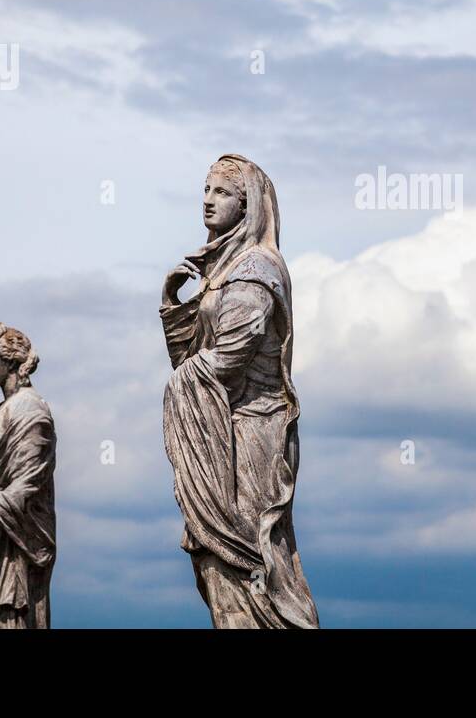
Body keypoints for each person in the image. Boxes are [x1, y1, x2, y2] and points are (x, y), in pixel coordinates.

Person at [161, 153, 320, 628]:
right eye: (206, 191)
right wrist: (174, 301)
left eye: (222, 193)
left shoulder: (254, 268)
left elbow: (229, 357)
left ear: (247, 204)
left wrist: (179, 384)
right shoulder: (222, 268)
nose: (208, 201)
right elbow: (191, 360)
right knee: (214, 557)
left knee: (249, 555)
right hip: (220, 428)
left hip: (252, 433)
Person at [0, 322, 56, 629]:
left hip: (18, 540)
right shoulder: (3, 410)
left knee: (11, 618)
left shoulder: (31, 411)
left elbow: (27, 482)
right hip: (0, 540)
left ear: (11, 362)